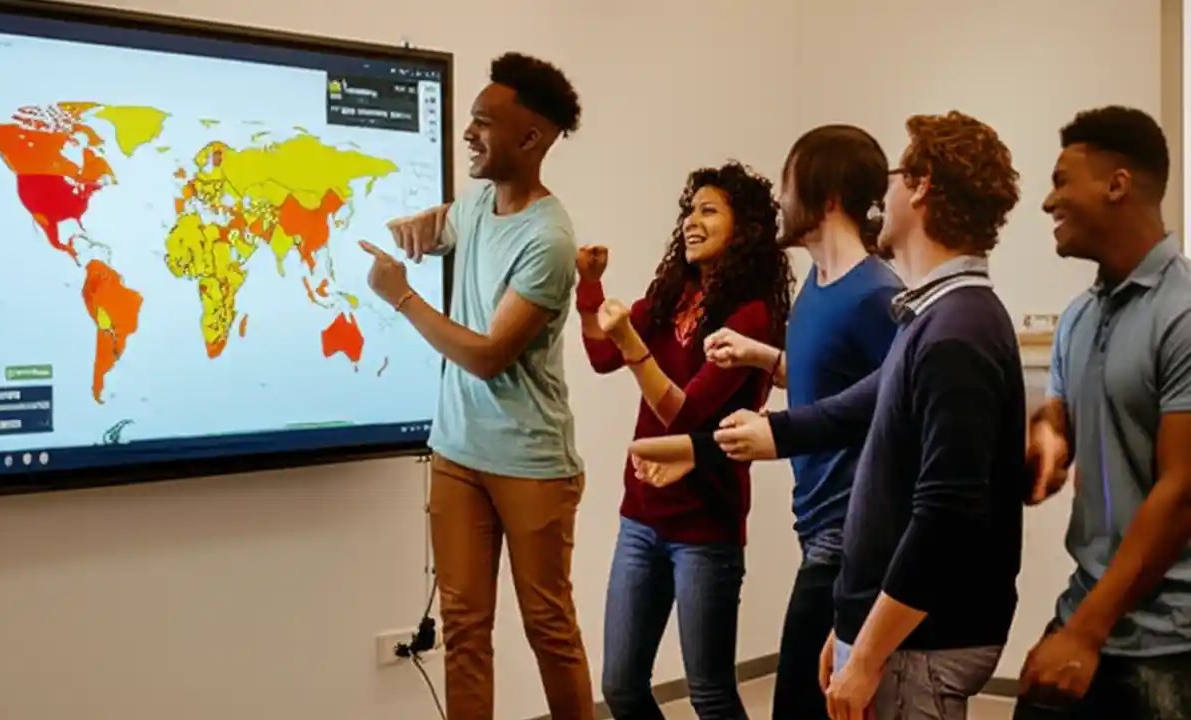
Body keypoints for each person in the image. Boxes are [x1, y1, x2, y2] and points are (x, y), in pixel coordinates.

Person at [632, 110, 1026, 720]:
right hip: (868, 586)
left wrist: (865, 649)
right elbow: (854, 405)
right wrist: (709, 446)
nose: (882, 195)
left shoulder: (954, 328)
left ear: (920, 187)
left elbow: (944, 512)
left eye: (896, 176)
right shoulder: (937, 317)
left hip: (918, 626)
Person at [360, 52, 593, 720]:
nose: (468, 132)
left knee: (548, 629)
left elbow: (490, 355)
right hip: (457, 456)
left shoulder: (549, 239)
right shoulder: (477, 203)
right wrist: (422, 229)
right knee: (464, 630)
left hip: (530, 464)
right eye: (470, 119)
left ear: (531, 139)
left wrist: (401, 298)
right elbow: (453, 225)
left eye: (483, 123)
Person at [576, 161, 793, 719]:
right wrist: (590, 286)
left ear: (742, 227)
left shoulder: (751, 314)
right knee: (621, 687)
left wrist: (629, 340)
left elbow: (682, 411)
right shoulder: (674, 294)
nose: (692, 221)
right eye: (689, 210)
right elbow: (603, 355)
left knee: (710, 694)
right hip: (641, 518)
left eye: (709, 209)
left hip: (706, 524)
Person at [700, 126, 903, 720]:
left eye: (789, 185)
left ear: (828, 195)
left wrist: (778, 435)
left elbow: (893, 400)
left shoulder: (878, 295)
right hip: (816, 530)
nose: (782, 201)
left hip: (850, 538)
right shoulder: (816, 287)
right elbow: (837, 380)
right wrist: (764, 357)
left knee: (797, 703)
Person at [1016, 106, 1191, 719]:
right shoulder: (1078, 319)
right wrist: (1043, 440)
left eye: (1063, 180)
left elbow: (1183, 490)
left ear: (1118, 184)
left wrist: (1085, 635)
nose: (1047, 201)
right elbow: (1056, 427)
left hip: (1170, 642)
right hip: (1085, 606)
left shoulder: (1184, 313)